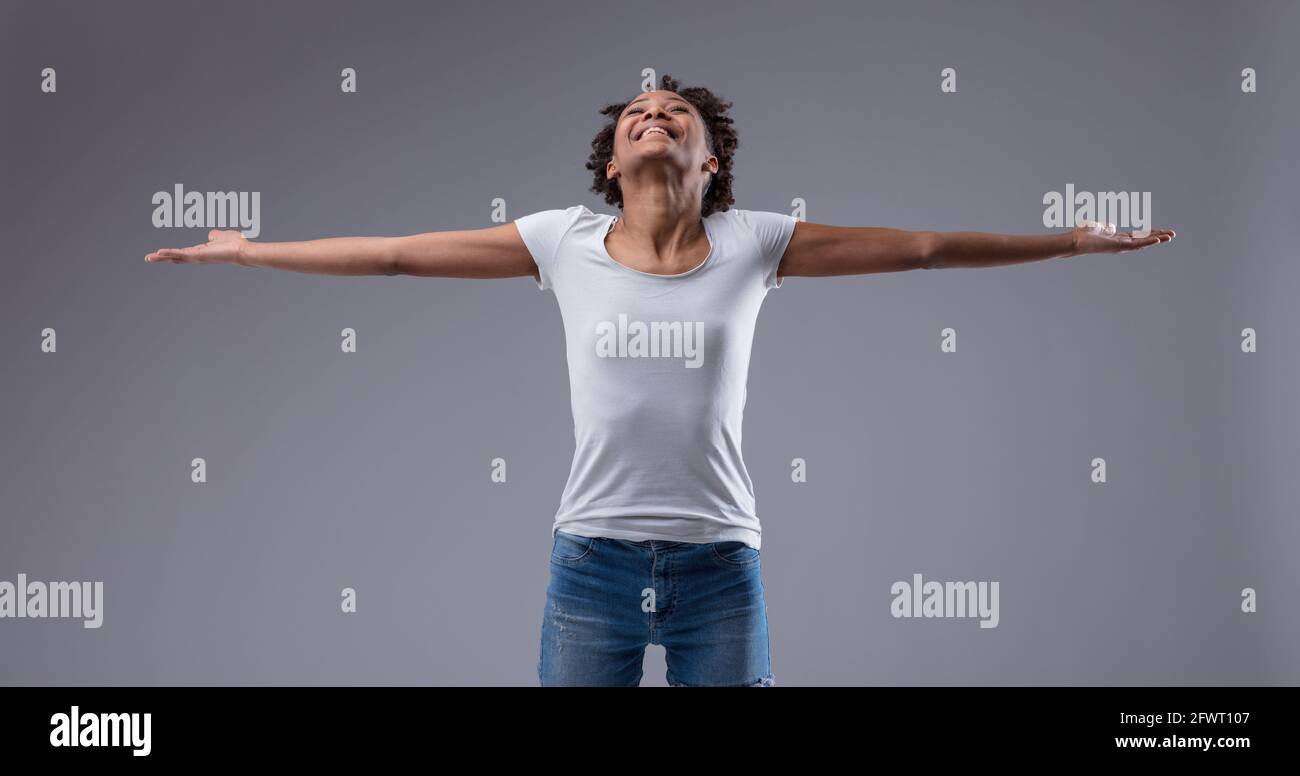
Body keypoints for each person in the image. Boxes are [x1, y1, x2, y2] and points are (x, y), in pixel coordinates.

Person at [145, 74, 1175, 686]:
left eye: (675, 111)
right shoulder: (563, 240)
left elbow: (921, 245)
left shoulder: (754, 240)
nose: (654, 116)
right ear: (609, 164)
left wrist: (1071, 241)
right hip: (588, 560)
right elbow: (397, 254)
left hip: (720, 562)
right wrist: (248, 251)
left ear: (711, 160)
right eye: (637, 111)